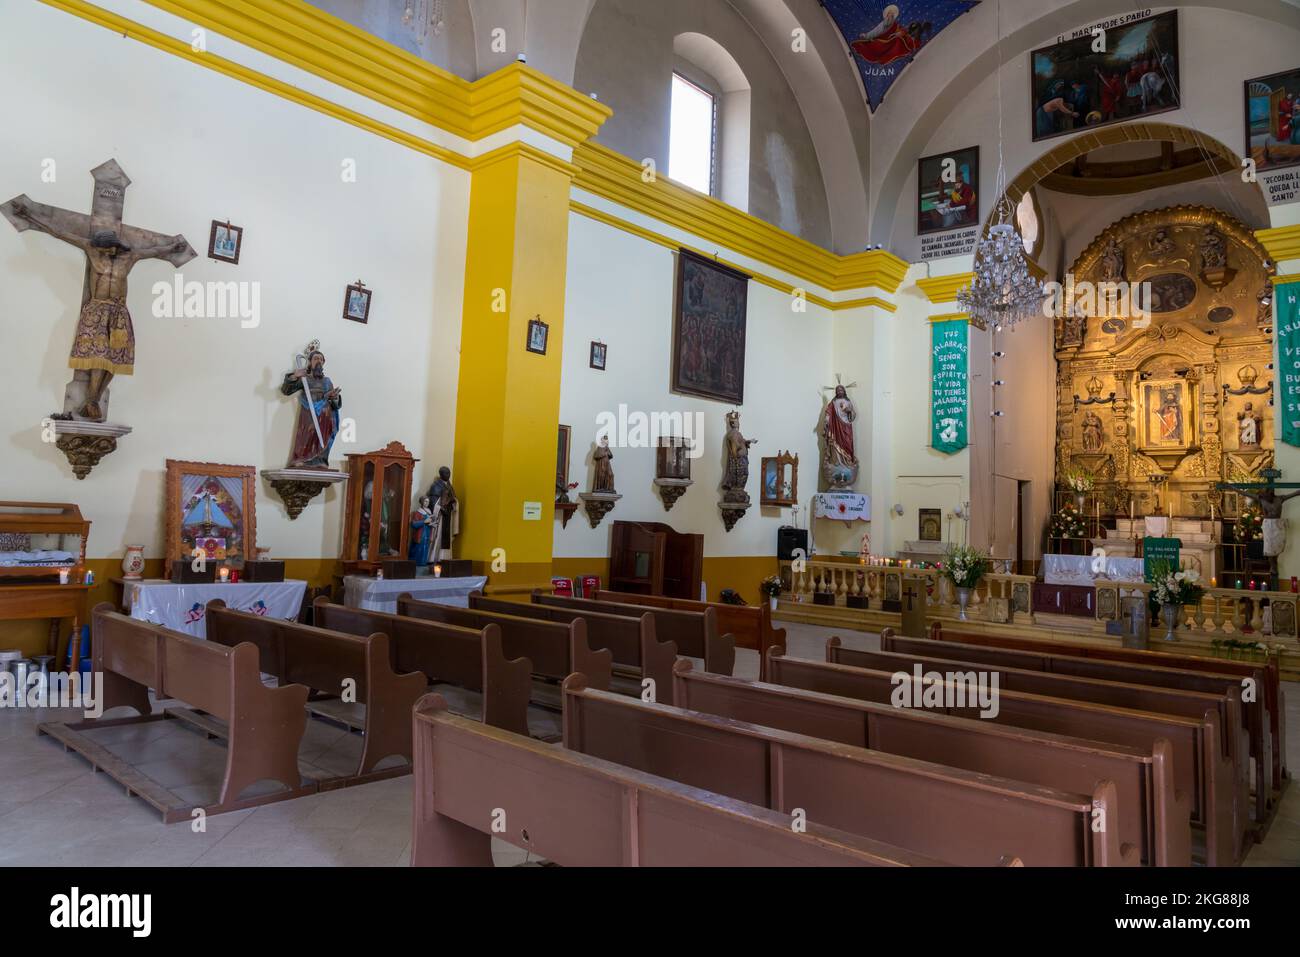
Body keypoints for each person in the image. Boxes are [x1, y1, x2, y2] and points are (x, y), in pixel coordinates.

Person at [280, 345, 341, 468]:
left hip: (325, 415)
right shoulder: (305, 379)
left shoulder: (327, 381)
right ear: (310, 362)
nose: (318, 361)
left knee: (326, 434)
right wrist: (294, 376)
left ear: (323, 363)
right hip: (309, 412)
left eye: (320, 359)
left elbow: (335, 404)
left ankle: (321, 460)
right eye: (315, 359)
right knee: (306, 436)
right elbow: (286, 391)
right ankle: (302, 458)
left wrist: (333, 397)